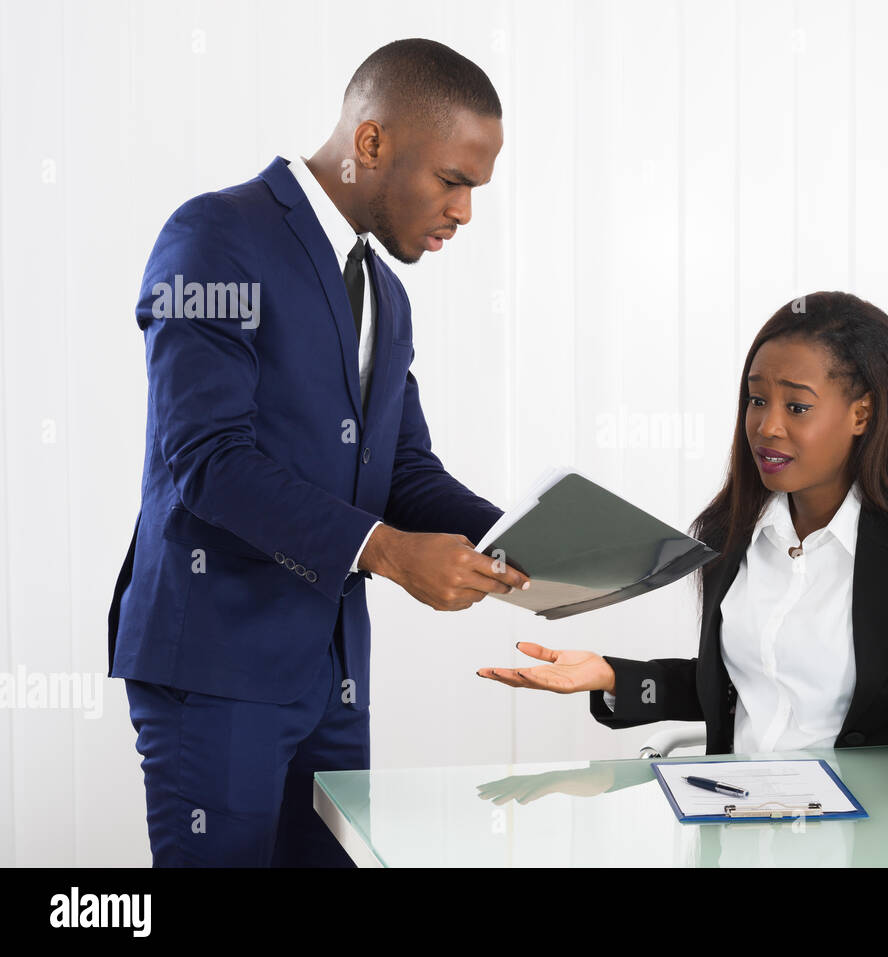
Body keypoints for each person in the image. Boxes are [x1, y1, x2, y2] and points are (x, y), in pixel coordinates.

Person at [107, 38, 529, 867]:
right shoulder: (216, 236)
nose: (465, 212)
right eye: (453, 181)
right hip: (218, 667)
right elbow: (207, 460)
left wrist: (527, 536)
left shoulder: (387, 293)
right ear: (370, 144)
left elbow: (402, 471)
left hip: (332, 669)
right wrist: (389, 552)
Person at [479, 291, 888, 758]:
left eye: (797, 407)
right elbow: (742, 688)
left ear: (861, 414)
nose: (766, 427)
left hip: (863, 830)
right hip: (734, 813)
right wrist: (612, 676)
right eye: (755, 400)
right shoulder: (730, 528)